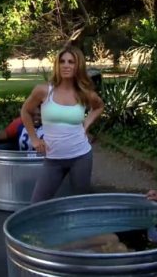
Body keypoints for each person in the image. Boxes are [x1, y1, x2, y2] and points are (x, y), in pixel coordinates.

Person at [21, 45, 104, 203]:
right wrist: (34, 139)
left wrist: (86, 125)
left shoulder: (84, 93)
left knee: (81, 204)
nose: (66, 65)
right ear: (57, 65)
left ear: (78, 66)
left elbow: (99, 107)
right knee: (36, 204)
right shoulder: (44, 91)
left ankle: (80, 228)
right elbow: (25, 111)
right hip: (53, 159)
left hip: (81, 156)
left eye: (71, 62)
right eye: (62, 61)